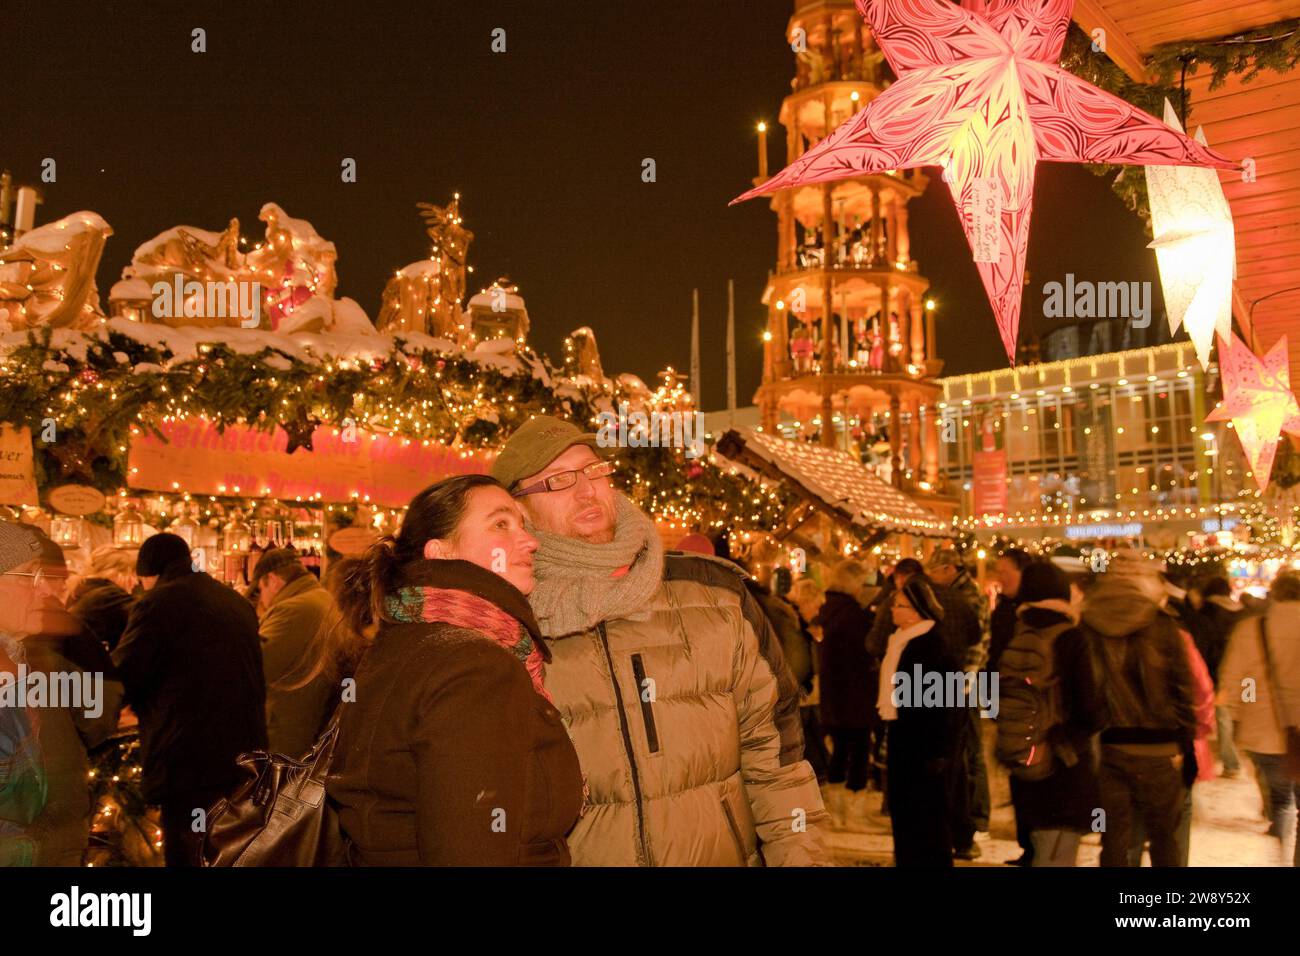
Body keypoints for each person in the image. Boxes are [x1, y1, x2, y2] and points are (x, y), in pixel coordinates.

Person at [491, 415, 828, 866]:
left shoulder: (713, 594)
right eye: (557, 481)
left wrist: (802, 858)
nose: (587, 490)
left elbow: (778, 761)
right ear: (519, 511)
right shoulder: (505, 623)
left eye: (594, 470)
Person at [326, 475, 583, 866]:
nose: (531, 542)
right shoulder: (476, 666)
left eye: (523, 526)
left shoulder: (406, 639)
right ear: (441, 552)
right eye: (500, 524)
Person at [112, 533, 268, 867]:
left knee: (188, 852)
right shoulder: (234, 601)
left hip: (188, 760)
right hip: (244, 757)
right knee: (231, 852)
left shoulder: (158, 603)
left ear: (149, 572)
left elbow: (123, 677)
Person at [0, 524, 123, 865]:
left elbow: (96, 716)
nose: (44, 592)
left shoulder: (40, 656)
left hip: (57, 842)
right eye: (29, 577)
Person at [1079, 550, 1196, 867]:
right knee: (1164, 838)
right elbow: (1183, 688)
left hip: (1109, 748)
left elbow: (1084, 689)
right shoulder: (1162, 625)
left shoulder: (1088, 625)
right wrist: (1188, 743)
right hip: (1160, 750)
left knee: (1113, 836)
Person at [998, 561, 1105, 866]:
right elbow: (1091, 709)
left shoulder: (1013, 632)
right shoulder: (1071, 638)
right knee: (1059, 853)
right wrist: (1068, 744)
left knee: (1041, 847)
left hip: (1024, 758)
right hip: (1063, 762)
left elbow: (991, 696)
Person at [1217, 570, 1300, 866]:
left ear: (1274, 593)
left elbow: (1238, 682)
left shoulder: (1251, 629)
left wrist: (1247, 709)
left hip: (1264, 733)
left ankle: (1280, 851)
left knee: (1281, 799)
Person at [878, 577, 962, 866]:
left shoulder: (929, 647)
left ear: (916, 612)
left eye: (899, 606)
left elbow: (945, 708)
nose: (892, 611)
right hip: (909, 746)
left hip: (924, 752)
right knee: (909, 820)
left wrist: (938, 753)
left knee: (926, 822)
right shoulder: (902, 642)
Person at [925, 549, 989, 859]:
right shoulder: (961, 593)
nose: (931, 579)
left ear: (950, 569)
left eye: (934, 572)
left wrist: (962, 686)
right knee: (965, 751)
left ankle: (975, 820)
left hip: (968, 682)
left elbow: (975, 645)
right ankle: (968, 823)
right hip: (963, 682)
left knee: (969, 751)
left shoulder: (966, 597)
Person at [246, 549, 336, 758]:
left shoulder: (293, 610)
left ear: (273, 580)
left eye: (260, 591)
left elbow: (254, 668)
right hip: (308, 727)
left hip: (285, 735)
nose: (262, 601)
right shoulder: (320, 598)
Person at [817, 559, 877, 827]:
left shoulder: (829, 610)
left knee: (840, 750)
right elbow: (865, 653)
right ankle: (853, 811)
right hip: (856, 695)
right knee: (859, 750)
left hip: (835, 695)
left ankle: (837, 810)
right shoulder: (853, 615)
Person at [1194, 576, 1244, 777]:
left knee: (1221, 716)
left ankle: (1231, 763)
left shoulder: (1205, 612)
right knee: (1233, 713)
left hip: (1214, 668)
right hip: (1241, 670)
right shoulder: (1240, 612)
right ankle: (1235, 758)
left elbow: (1203, 644)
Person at [788, 577, 829, 783]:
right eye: (817, 604)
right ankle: (819, 769)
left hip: (810, 688)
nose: (820, 609)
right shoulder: (798, 626)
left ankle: (820, 768)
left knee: (812, 726)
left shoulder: (801, 624)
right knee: (809, 727)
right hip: (806, 686)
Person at [988, 548, 1030, 674]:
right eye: (998, 573)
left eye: (1004, 573)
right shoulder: (1003, 607)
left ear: (1023, 573)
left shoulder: (1033, 611)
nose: (999, 578)